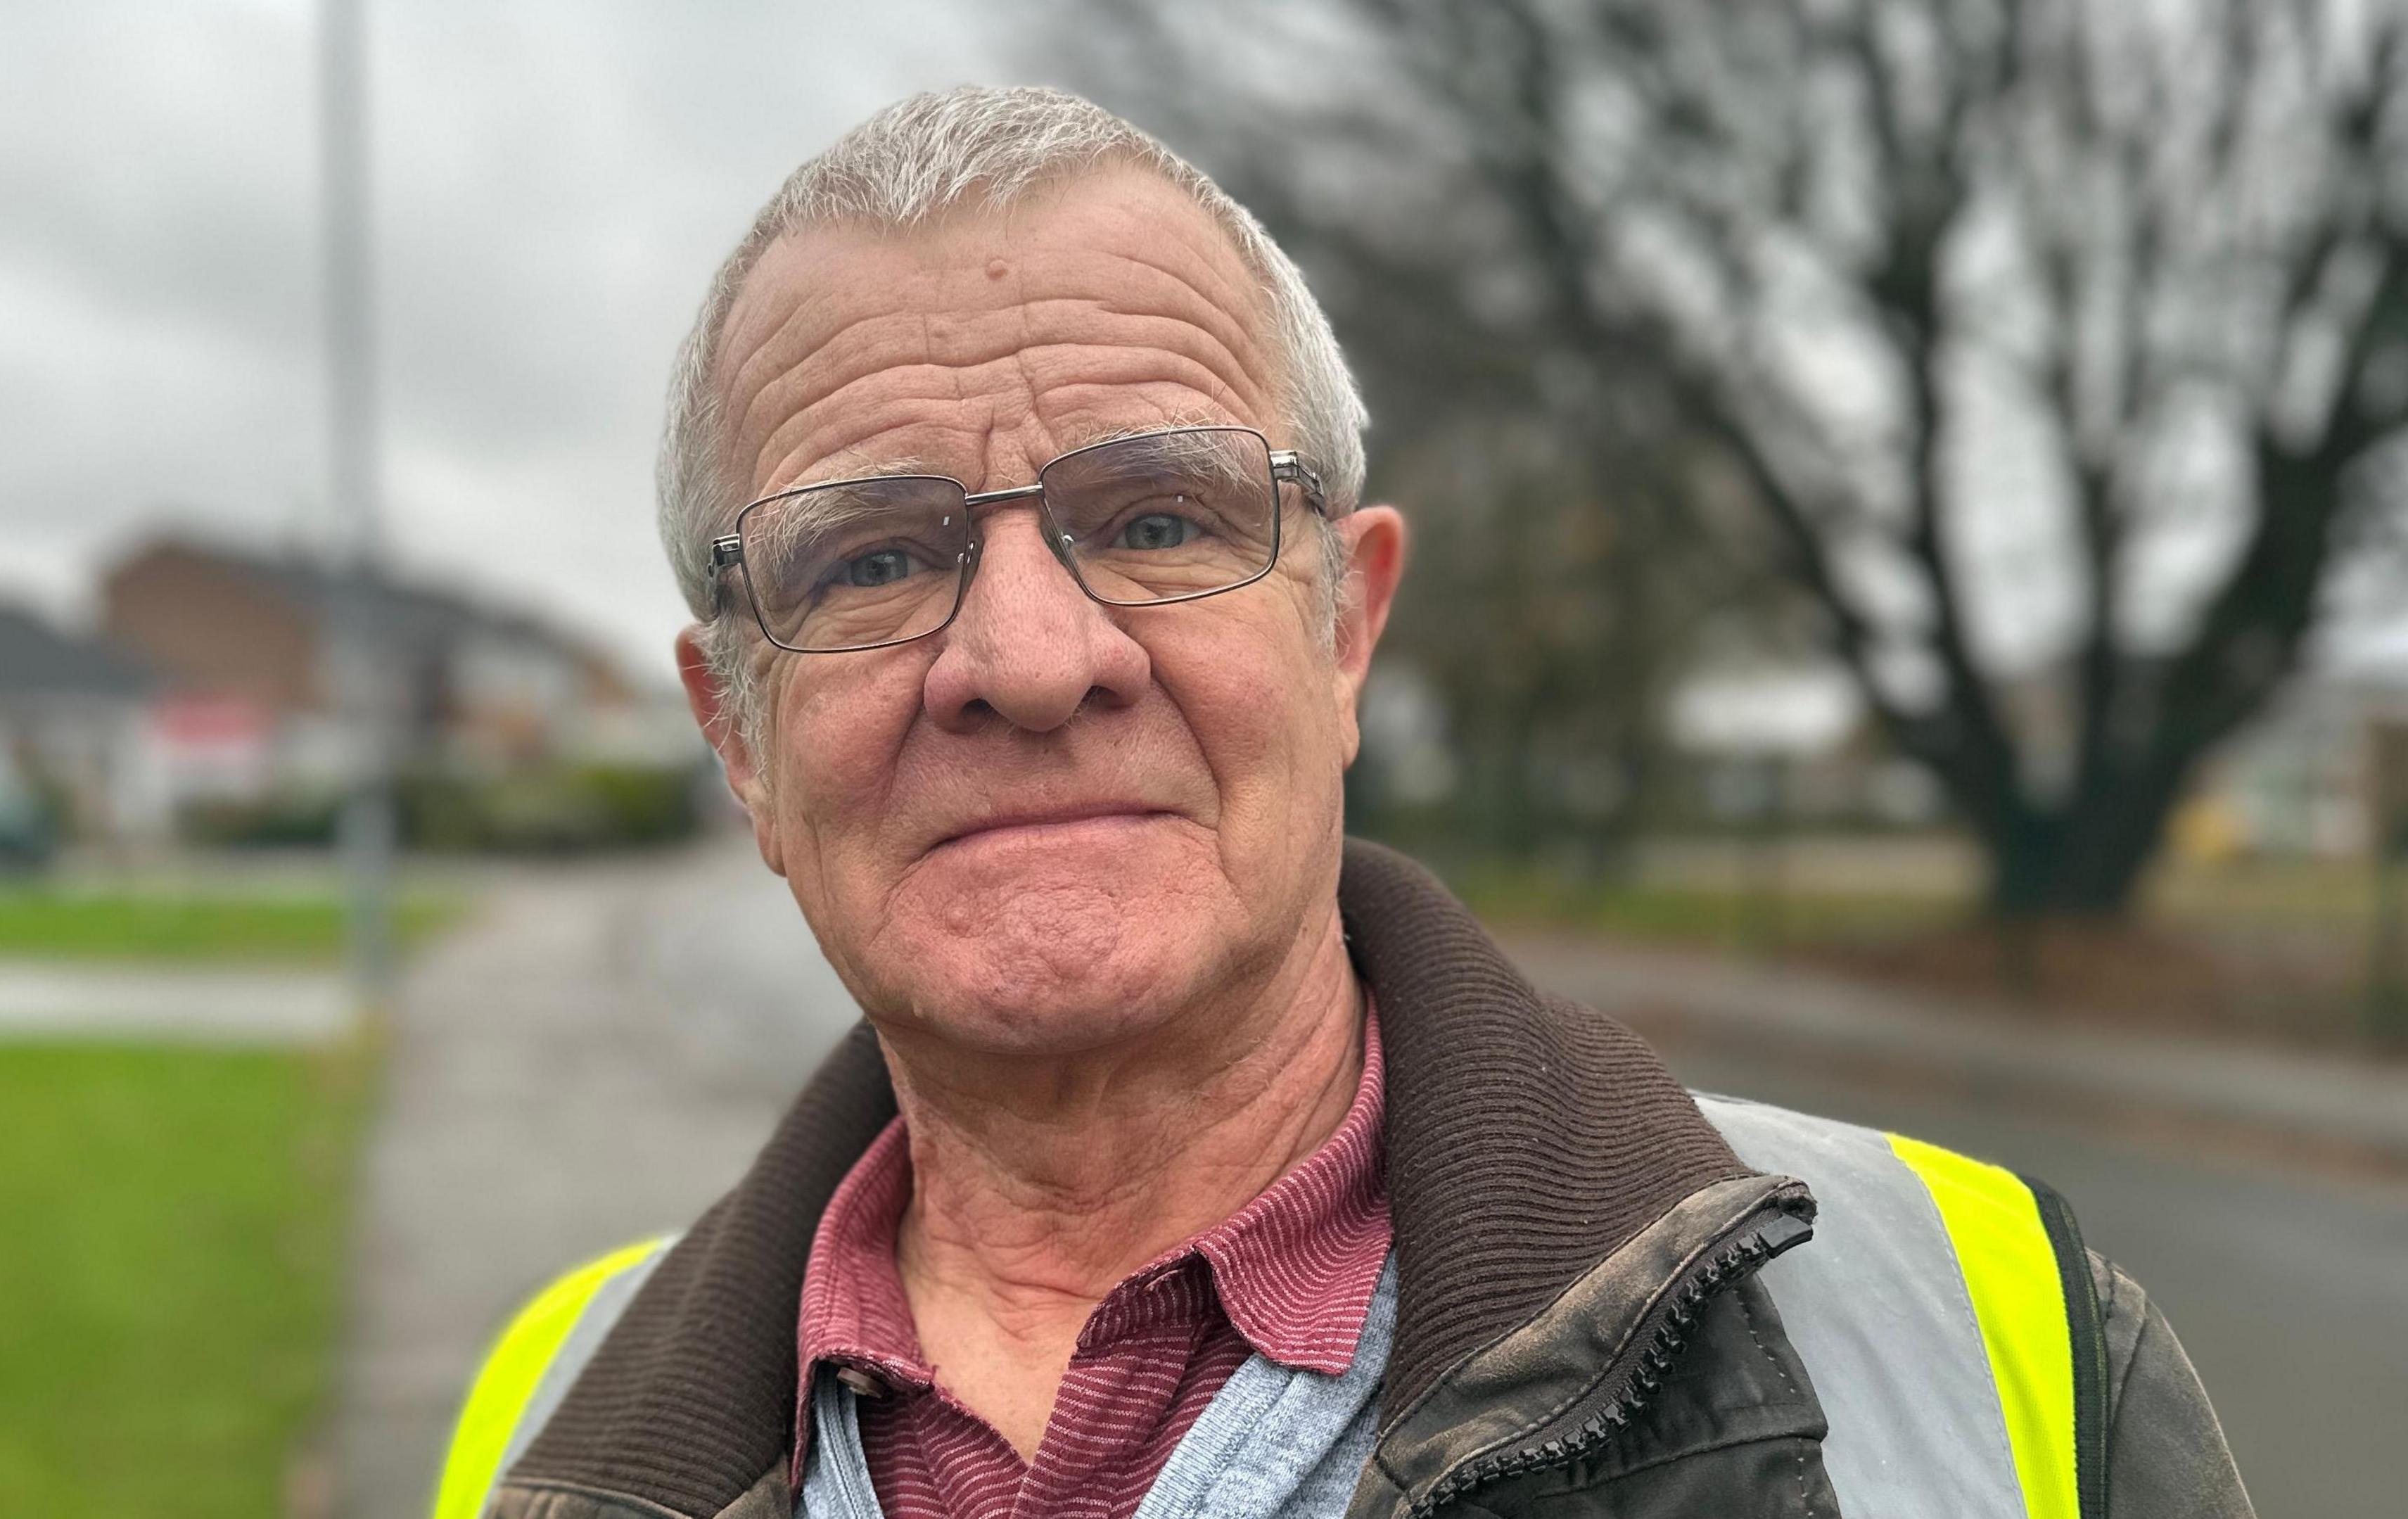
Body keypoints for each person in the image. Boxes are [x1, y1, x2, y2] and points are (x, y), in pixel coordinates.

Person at [433, 87, 2250, 1519]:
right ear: (736, 735)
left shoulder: (1990, 1329)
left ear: (1348, 625)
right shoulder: (549, 1428)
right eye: (872, 557)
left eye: (1158, 519)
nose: (1034, 656)